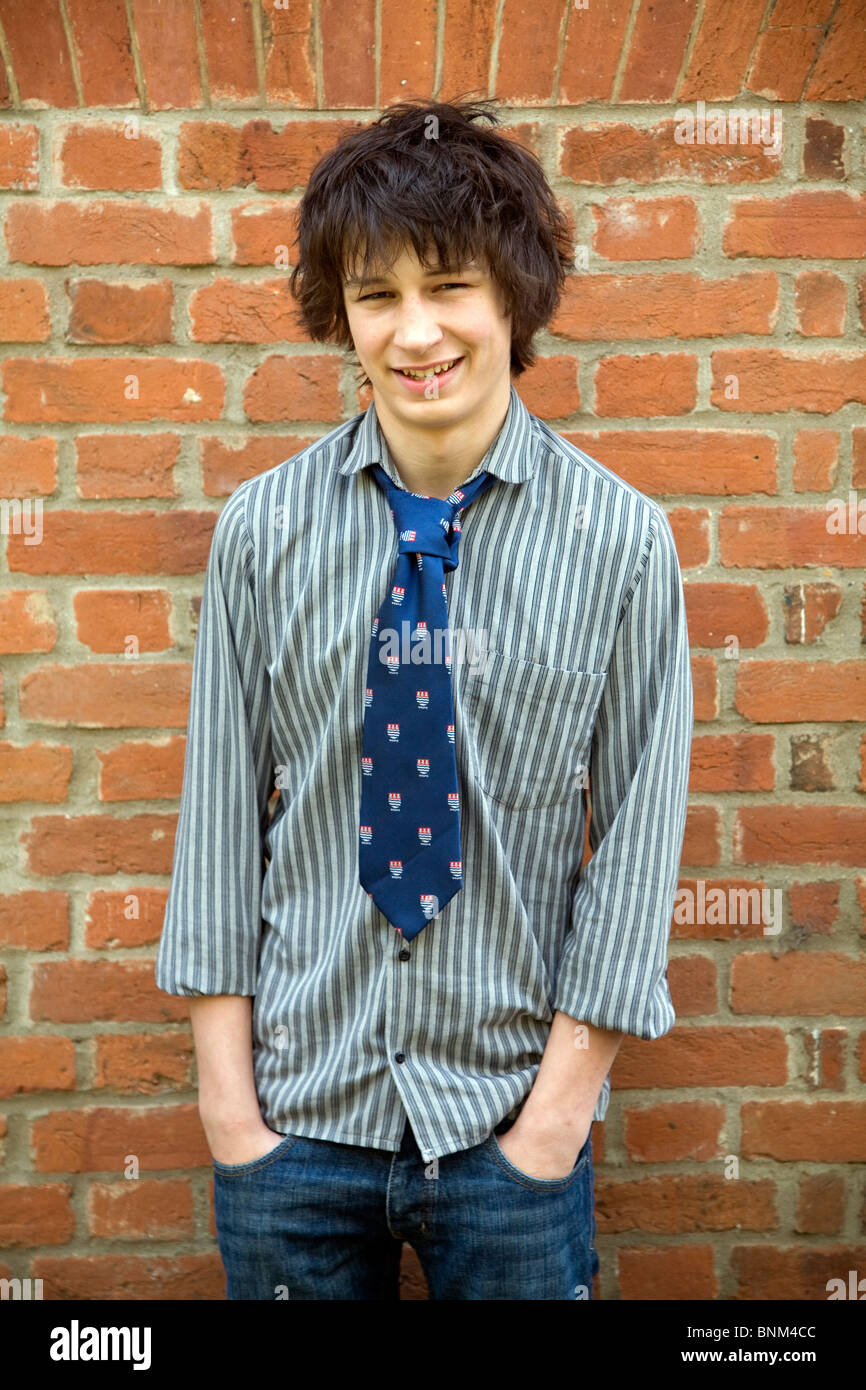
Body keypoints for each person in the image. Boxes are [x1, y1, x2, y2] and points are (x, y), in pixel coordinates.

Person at [155, 96, 693, 1301]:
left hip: (509, 1140)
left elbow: (636, 843)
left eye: (447, 285)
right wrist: (232, 1118)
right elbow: (217, 824)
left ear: (512, 296)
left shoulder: (619, 544)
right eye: (374, 294)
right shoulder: (261, 533)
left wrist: (551, 1124)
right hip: (296, 1130)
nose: (413, 331)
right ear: (339, 313)